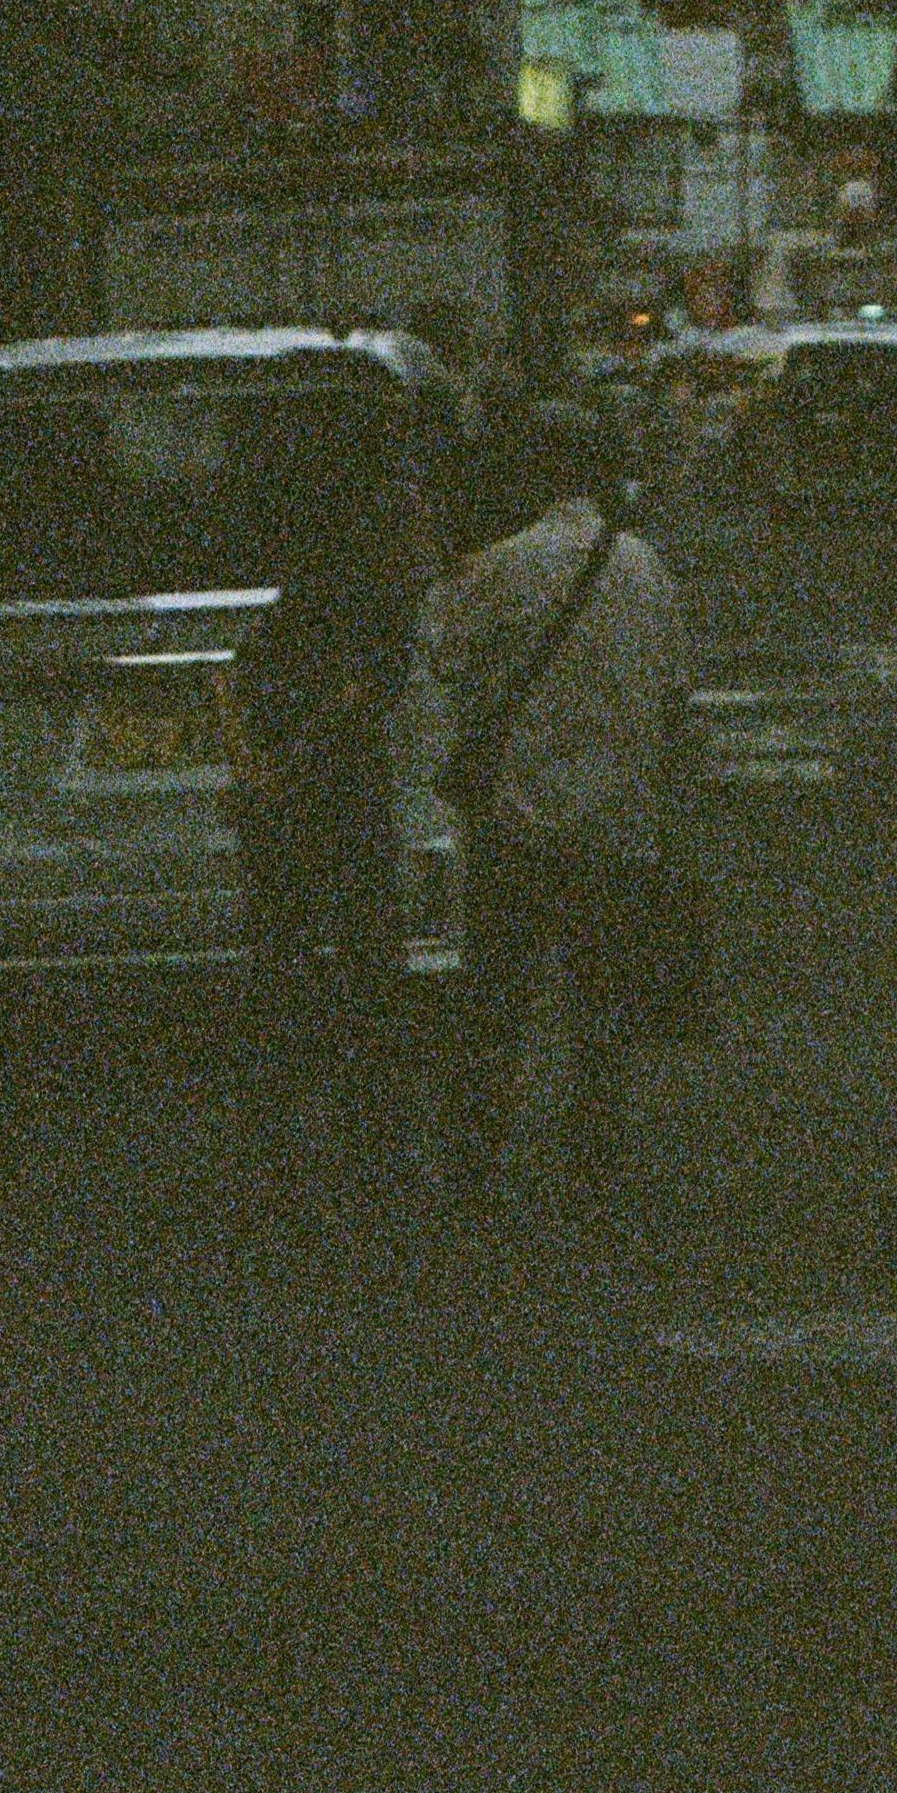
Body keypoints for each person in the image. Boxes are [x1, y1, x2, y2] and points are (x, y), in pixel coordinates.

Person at [424, 393, 691, 1208]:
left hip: (517, 819)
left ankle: (474, 1157)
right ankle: (597, 1157)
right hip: (616, 823)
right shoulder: (644, 567)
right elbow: (675, 700)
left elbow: (441, 655)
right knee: (600, 1006)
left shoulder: (501, 567)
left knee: (496, 998)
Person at [225, 403, 427, 1131]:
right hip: (338, 788)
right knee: (362, 944)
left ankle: (286, 1099)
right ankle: (366, 1100)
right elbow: (363, 693)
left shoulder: (289, 606)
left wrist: (261, 769)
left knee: (285, 945)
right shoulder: (364, 602)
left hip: (288, 791)